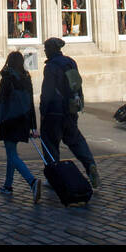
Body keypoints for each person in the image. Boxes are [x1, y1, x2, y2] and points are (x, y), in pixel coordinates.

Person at [39, 37, 99, 187]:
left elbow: (47, 92)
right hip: (70, 109)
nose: (45, 52)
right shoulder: (70, 62)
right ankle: (90, 164)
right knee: (76, 140)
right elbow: (78, 85)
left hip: (54, 112)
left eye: (46, 49)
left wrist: (43, 110)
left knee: (50, 144)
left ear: (52, 49)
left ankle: (54, 176)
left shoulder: (51, 67)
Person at [0, 50, 42, 202]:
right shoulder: (26, 77)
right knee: (12, 152)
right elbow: (30, 103)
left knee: (12, 155)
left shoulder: (7, 78)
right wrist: (33, 126)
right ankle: (8, 186)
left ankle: (32, 181)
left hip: (9, 120)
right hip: (23, 119)